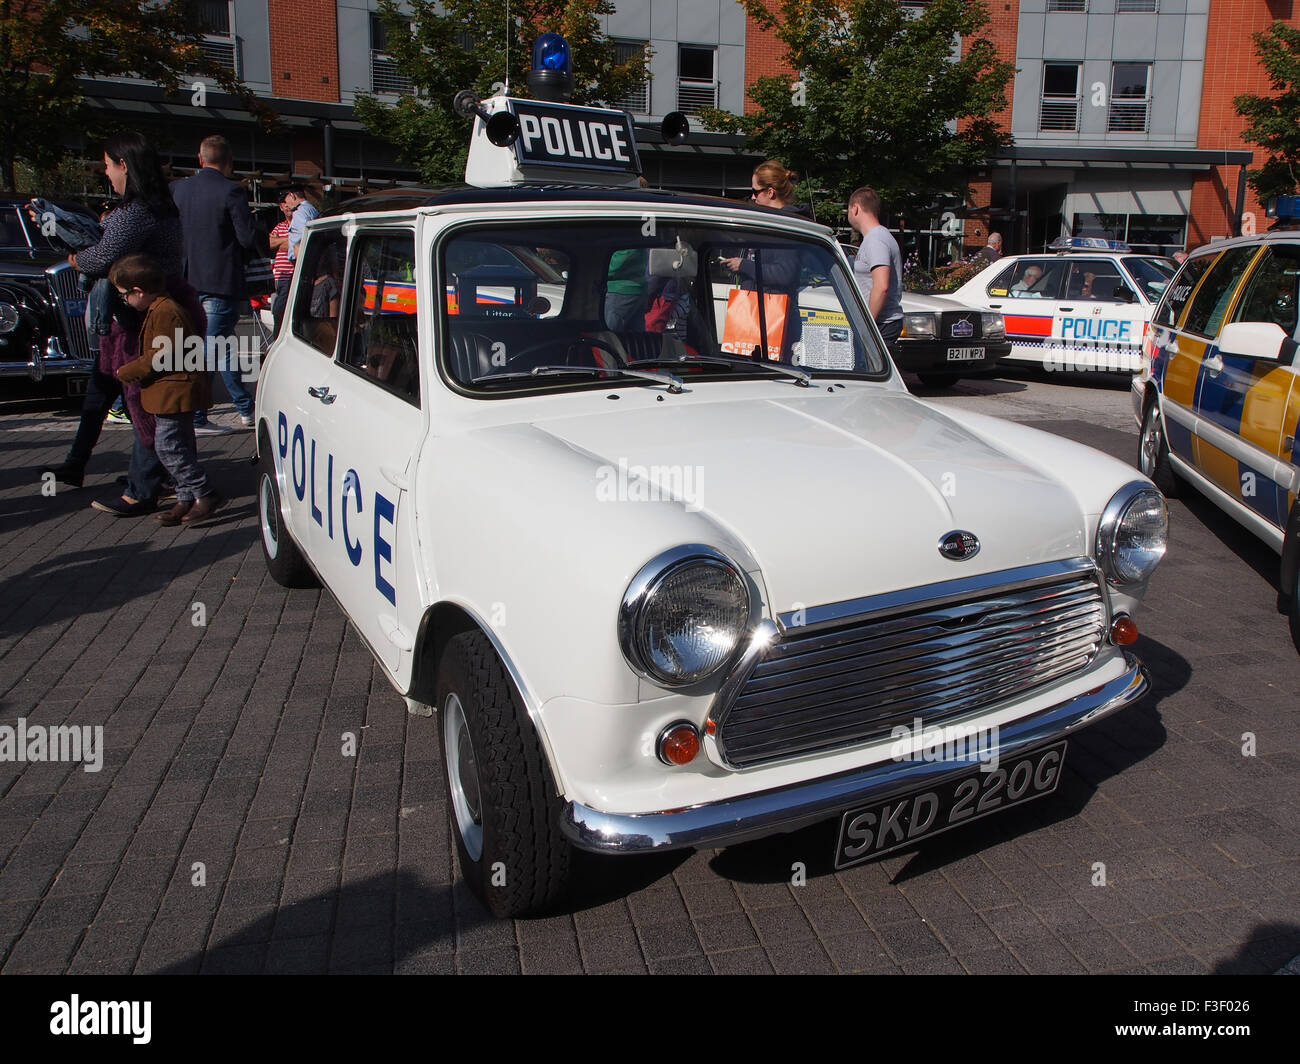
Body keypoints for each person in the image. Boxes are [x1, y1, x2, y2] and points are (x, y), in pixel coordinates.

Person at [50, 131, 202, 517]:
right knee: (114, 391)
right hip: (136, 313)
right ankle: (119, 473)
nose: (105, 174)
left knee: (141, 399)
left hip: (140, 317)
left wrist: (75, 260)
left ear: (124, 165)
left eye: (107, 165)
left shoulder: (138, 212)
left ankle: (145, 487)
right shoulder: (152, 208)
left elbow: (104, 255)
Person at [110, 253, 223, 525]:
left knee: (168, 448)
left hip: (175, 392)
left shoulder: (165, 311)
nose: (123, 300)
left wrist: (126, 371)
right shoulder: (160, 308)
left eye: (124, 295)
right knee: (180, 445)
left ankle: (204, 492)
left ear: (139, 291)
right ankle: (185, 499)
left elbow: (161, 355)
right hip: (170, 392)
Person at [171, 134, 257, 432]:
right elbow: (246, 238)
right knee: (210, 350)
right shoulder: (232, 192)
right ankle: (194, 415)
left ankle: (245, 407)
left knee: (222, 346)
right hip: (220, 280)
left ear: (200, 158)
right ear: (229, 162)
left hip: (186, 279)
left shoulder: (178, 190)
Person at [721, 160, 810, 360]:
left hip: (772, 316)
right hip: (758, 311)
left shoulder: (786, 226)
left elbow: (785, 273)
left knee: (765, 376)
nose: (752, 197)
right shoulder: (772, 223)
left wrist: (744, 265)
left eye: (756, 191)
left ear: (770, 192)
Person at [847, 186, 904, 353]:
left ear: (855, 208)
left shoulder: (876, 240)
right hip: (881, 324)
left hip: (880, 325)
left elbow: (881, 286)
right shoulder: (877, 237)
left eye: (848, 209)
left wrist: (867, 325)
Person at [268, 192, 294, 337]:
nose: (287, 206)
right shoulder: (279, 226)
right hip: (281, 277)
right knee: (279, 311)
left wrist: (281, 241)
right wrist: (289, 241)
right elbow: (270, 243)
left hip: (295, 274)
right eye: (284, 203)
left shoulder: (299, 224)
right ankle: (277, 339)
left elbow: (299, 242)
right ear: (281, 207)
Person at [283, 185, 319, 266]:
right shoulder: (312, 209)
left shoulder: (299, 212)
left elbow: (305, 235)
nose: (286, 205)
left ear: (292, 195)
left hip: (302, 260)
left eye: (285, 200)